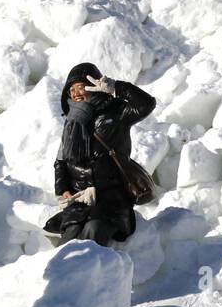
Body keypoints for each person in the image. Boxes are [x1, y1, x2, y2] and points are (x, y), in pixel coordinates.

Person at [46, 62, 157, 247]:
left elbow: (146, 104)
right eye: (71, 90)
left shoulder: (116, 112)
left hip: (111, 199)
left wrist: (116, 88)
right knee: (70, 236)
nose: (75, 93)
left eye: (80, 87)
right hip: (79, 201)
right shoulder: (71, 123)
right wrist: (64, 191)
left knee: (94, 230)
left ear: (93, 86)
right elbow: (61, 162)